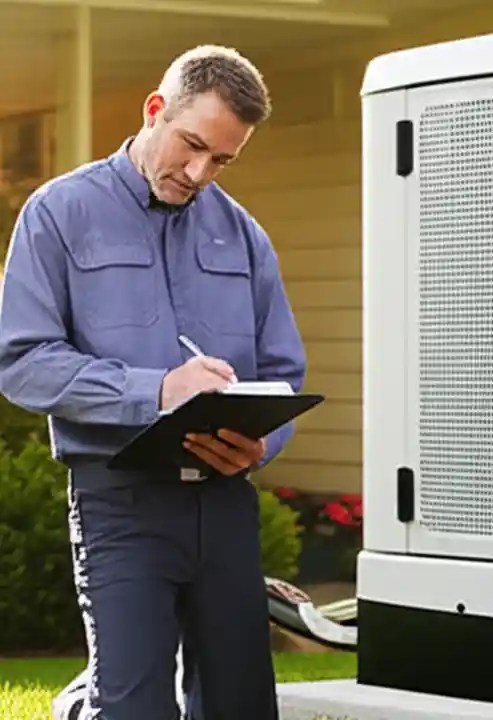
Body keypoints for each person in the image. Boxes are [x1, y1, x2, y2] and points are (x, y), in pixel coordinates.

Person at [0, 44, 306, 719]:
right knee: (134, 707)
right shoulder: (58, 214)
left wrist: (264, 444)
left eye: (222, 159)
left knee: (242, 706)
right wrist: (157, 391)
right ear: (155, 109)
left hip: (226, 506)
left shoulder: (243, 235)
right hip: (122, 501)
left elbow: (282, 374)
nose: (199, 172)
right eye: (191, 145)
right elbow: (21, 360)